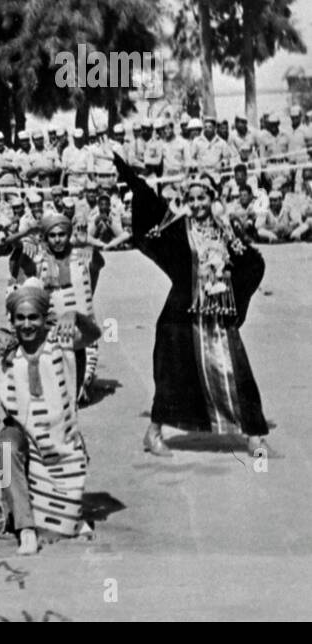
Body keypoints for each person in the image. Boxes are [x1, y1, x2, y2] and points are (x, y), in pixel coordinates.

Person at [114, 156, 270, 457]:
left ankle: (254, 436)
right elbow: (150, 205)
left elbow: (251, 263)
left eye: (202, 198)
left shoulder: (225, 230)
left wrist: (234, 297)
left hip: (218, 317)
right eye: (192, 199)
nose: (197, 204)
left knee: (238, 371)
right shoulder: (177, 228)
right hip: (181, 316)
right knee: (173, 376)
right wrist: (127, 172)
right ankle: (153, 433)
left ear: (212, 199)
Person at [0, 283, 101, 555]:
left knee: (65, 509)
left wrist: (76, 316)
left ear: (45, 318)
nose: (27, 324)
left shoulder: (60, 340)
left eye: (33, 317)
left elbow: (94, 334)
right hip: (21, 429)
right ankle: (26, 528)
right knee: (6, 445)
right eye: (20, 318)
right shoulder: (4, 346)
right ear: (12, 320)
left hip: (58, 431)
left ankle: (65, 515)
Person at [12, 213, 103, 405]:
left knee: (77, 394)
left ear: (68, 235)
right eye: (52, 236)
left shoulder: (81, 256)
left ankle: (84, 382)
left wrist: (89, 244)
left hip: (84, 334)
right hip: (53, 333)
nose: (57, 240)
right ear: (46, 237)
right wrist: (24, 235)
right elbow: (15, 253)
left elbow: (98, 264)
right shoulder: (40, 261)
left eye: (61, 234)